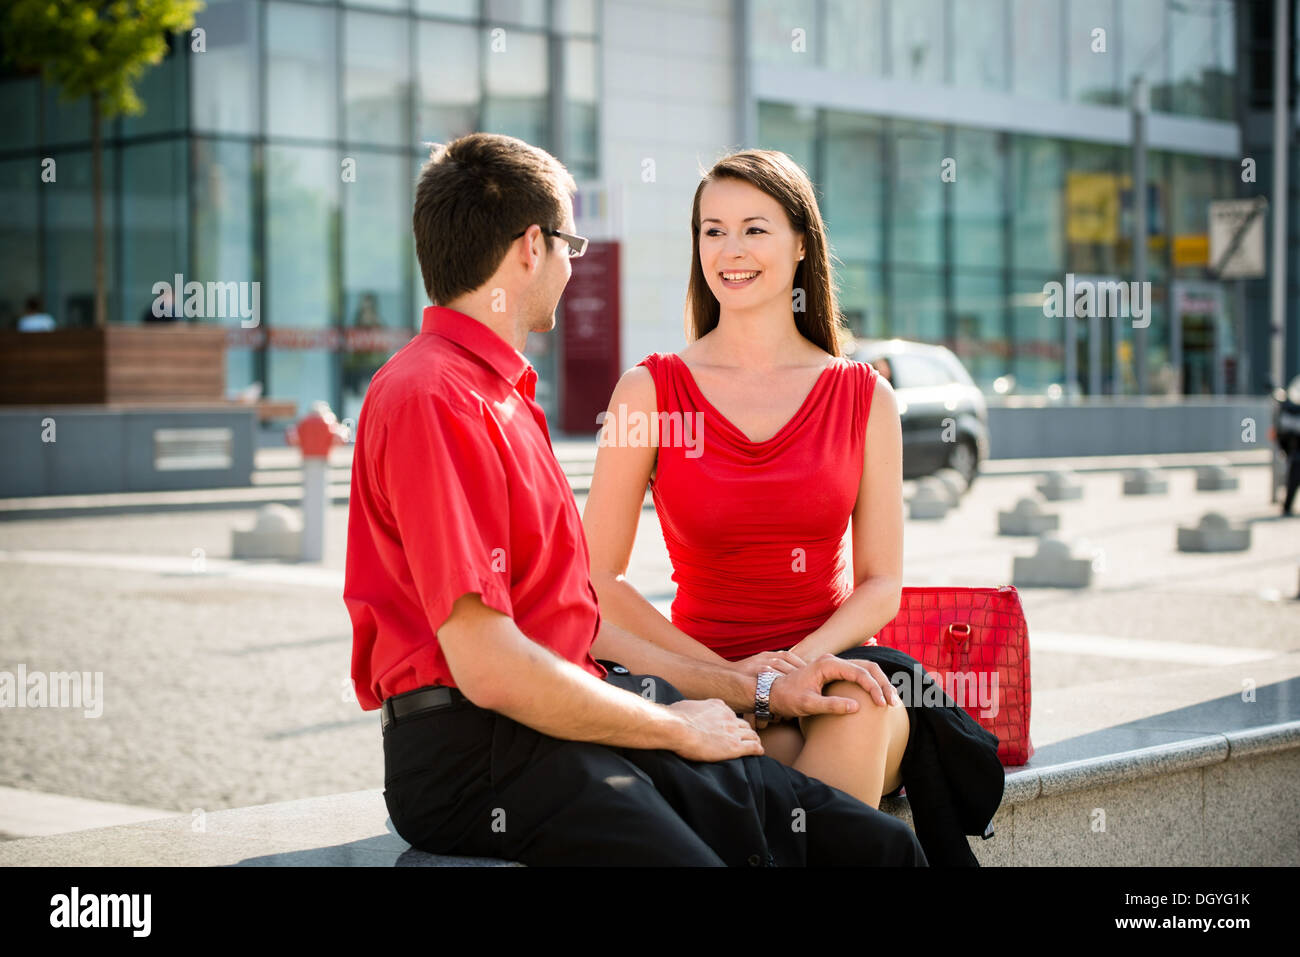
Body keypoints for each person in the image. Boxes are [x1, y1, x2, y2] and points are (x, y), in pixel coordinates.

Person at [343, 132, 928, 867]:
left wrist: (695, 700)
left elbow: (572, 620)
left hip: (571, 719)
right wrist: (683, 719)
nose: (573, 260)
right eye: (569, 242)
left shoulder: (503, 396)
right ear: (532, 248)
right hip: (491, 750)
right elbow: (495, 665)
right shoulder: (436, 397)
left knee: (876, 847)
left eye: (753, 227)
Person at [582, 149, 1004, 865]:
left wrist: (799, 668)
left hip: (837, 674)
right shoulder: (648, 392)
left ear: (801, 242)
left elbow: (879, 581)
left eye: (754, 228)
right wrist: (745, 682)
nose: (730, 250)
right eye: (711, 231)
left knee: (857, 704)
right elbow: (597, 580)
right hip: (708, 685)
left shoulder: (864, 396)